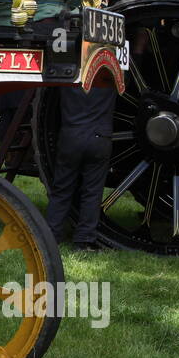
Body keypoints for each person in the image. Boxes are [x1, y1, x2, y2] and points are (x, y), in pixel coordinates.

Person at [45, 81, 117, 250]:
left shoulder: (69, 80)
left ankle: (51, 236)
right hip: (99, 137)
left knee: (61, 189)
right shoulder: (110, 79)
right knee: (92, 191)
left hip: (71, 135)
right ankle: (83, 239)